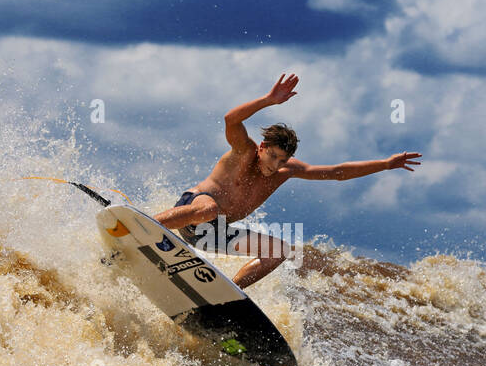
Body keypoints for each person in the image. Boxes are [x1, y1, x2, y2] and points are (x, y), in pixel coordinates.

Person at [153, 73, 422, 289]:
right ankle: (147, 226)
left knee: (280, 251)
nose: (276, 165)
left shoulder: (286, 171)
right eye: (272, 156)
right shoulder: (243, 152)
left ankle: (227, 296)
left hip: (212, 235)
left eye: (283, 160)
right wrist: (268, 100)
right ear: (261, 147)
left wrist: (386, 165)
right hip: (190, 212)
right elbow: (230, 119)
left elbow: (338, 172)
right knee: (209, 209)